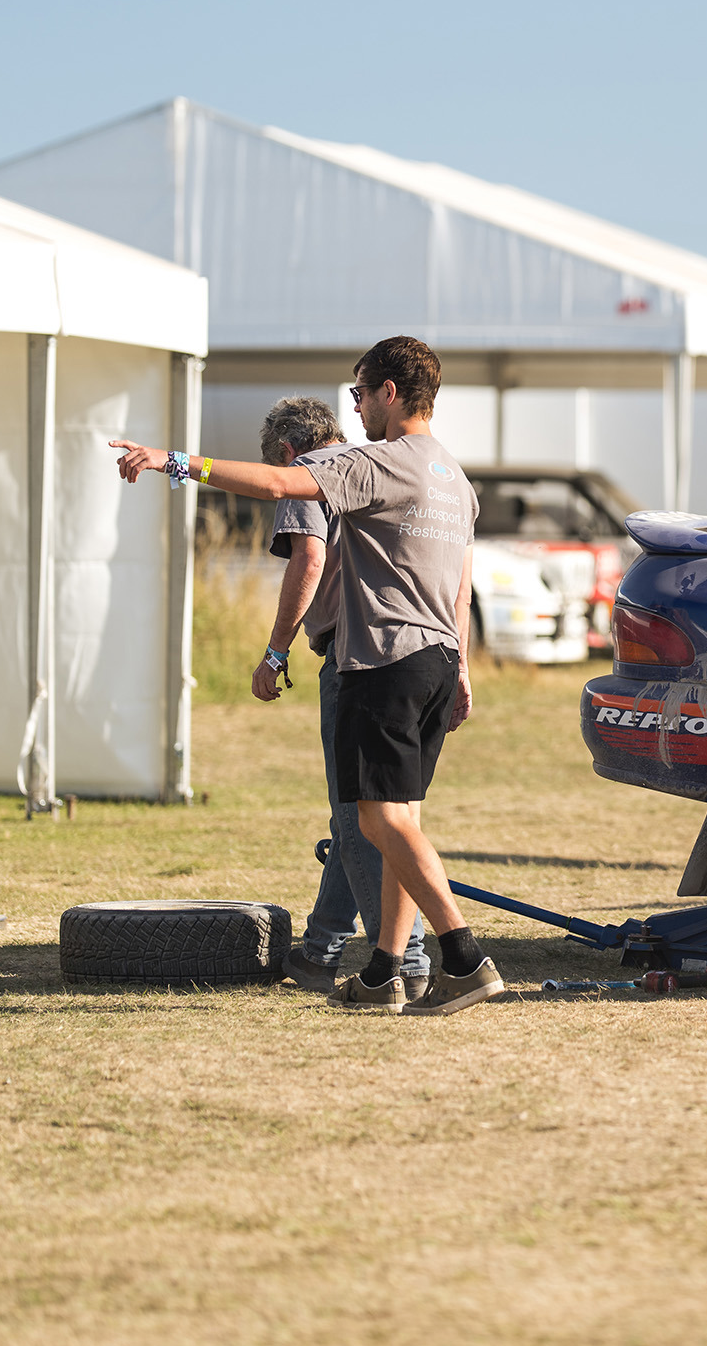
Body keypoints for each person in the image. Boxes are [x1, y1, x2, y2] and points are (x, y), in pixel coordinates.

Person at [112, 335, 503, 1014]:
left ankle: (464, 957)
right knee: (399, 822)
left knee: (381, 821)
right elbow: (461, 589)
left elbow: (275, 482)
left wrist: (173, 460)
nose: (354, 409)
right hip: (438, 661)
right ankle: (383, 972)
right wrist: (462, 667)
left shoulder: (378, 463)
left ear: (389, 391)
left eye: (359, 393)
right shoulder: (455, 480)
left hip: (383, 659)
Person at [257, 396, 433, 998]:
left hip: (355, 655)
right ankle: (319, 951)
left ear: (286, 451)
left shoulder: (311, 474)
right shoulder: (370, 464)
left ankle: (405, 961)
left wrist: (276, 649)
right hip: (418, 652)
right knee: (368, 812)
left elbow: (309, 558)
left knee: (361, 816)